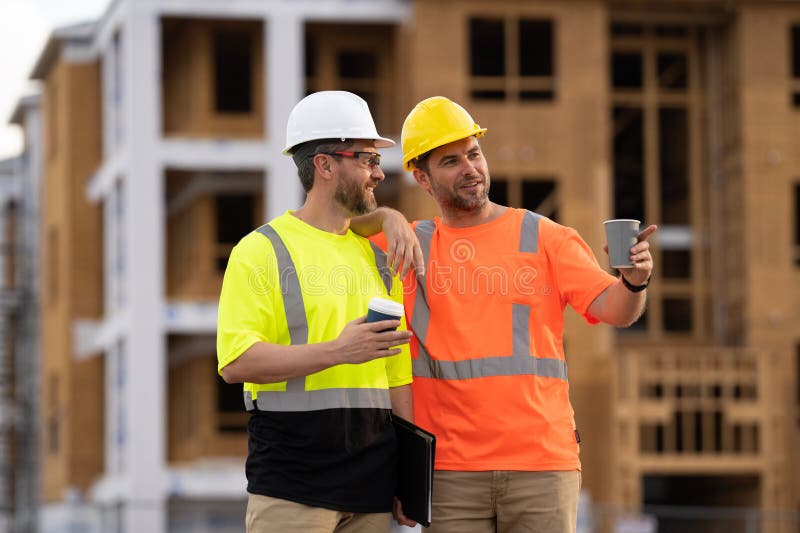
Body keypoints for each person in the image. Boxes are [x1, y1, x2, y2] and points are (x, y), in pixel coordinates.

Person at [363, 96, 657, 533]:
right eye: (451, 161)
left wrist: (634, 280)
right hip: (448, 473)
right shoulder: (407, 246)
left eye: (474, 154)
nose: (470, 168)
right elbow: (332, 228)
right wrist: (385, 215)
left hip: (541, 465)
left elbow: (616, 309)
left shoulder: (545, 236)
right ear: (422, 178)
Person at [216, 91, 416, 533]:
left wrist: (408, 475)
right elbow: (236, 362)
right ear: (325, 165)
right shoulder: (260, 251)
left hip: (372, 489)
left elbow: (397, 375)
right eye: (366, 158)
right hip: (292, 486)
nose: (379, 172)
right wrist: (339, 350)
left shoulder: (378, 259)